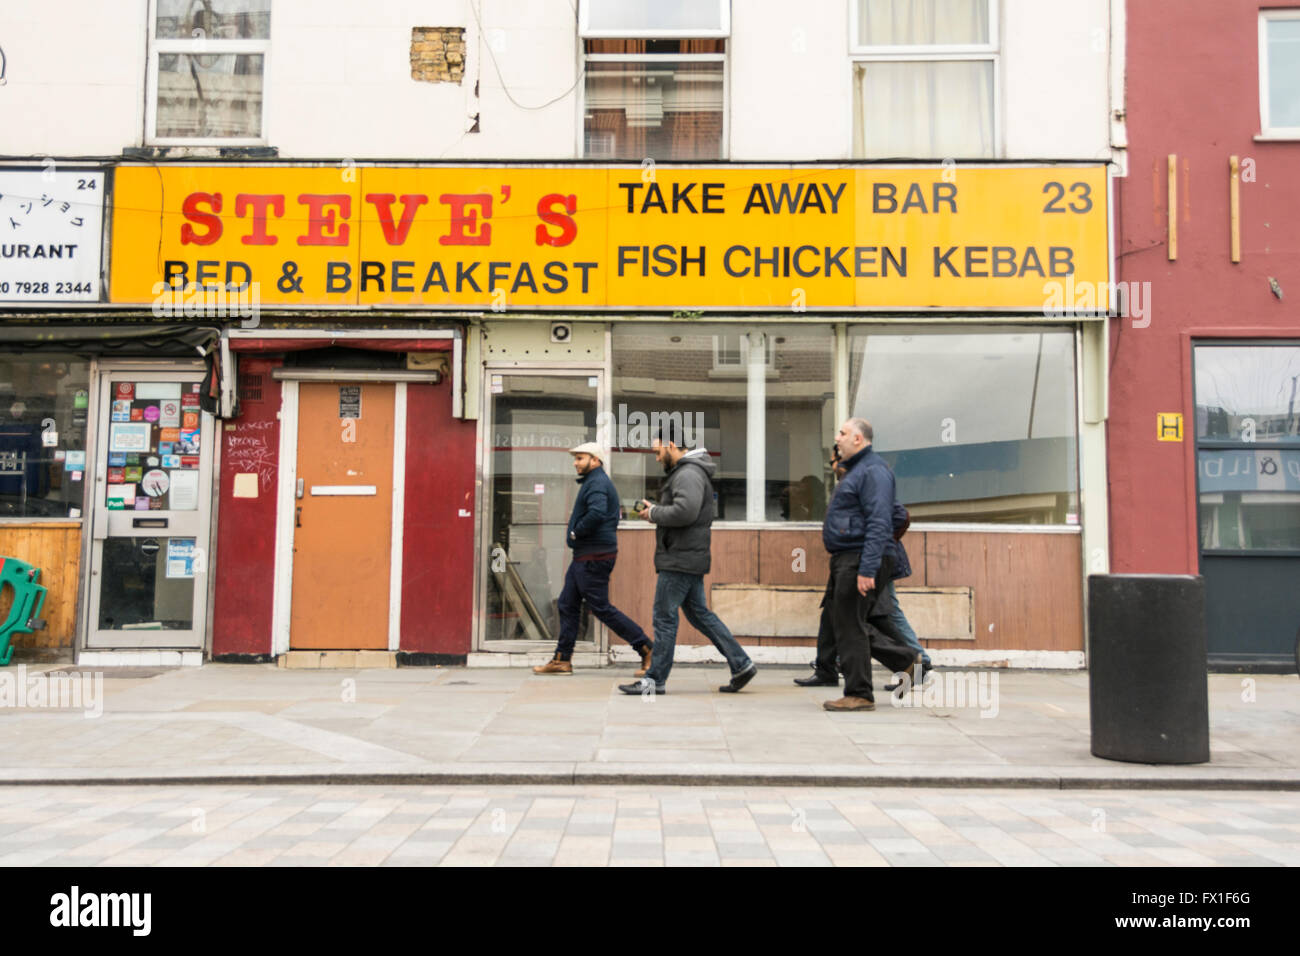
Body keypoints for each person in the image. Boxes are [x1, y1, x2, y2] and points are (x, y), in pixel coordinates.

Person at [617, 426, 757, 696]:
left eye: (658, 451)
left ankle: (654, 680)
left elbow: (686, 511)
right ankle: (741, 664)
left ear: (671, 445)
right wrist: (656, 512)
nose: (656, 458)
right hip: (687, 555)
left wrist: (654, 513)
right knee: (700, 615)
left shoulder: (688, 473)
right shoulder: (688, 472)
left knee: (664, 618)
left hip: (680, 558)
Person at [816, 418, 918, 711]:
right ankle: (907, 661)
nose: (837, 438)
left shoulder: (873, 471)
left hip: (859, 557)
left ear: (858, 439)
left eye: (843, 433)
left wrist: (867, 568)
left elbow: (880, 521)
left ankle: (859, 693)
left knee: (850, 624)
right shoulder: (859, 471)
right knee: (847, 621)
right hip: (850, 557)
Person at [533, 442, 654, 676]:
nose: (575, 462)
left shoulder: (597, 482)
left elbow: (597, 512)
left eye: (580, 458)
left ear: (595, 460)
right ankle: (562, 659)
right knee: (567, 604)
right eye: (575, 458)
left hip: (594, 557)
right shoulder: (593, 481)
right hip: (585, 557)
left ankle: (647, 648)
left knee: (601, 608)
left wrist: (576, 531)